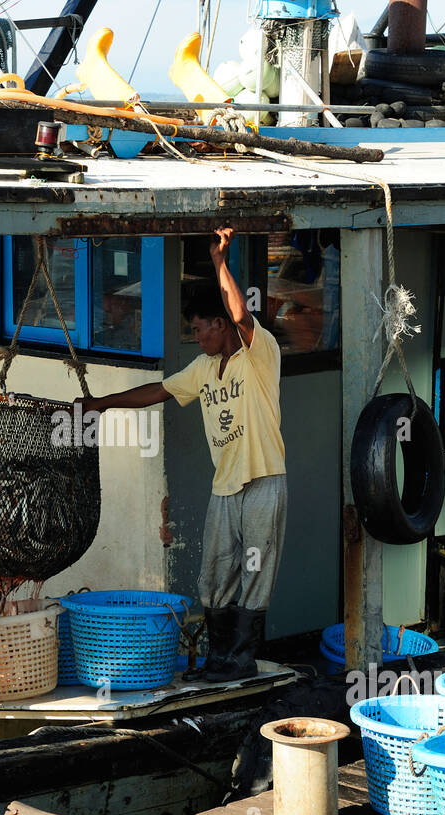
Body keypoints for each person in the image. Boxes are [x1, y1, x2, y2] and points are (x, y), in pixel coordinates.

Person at [81, 227, 287, 681]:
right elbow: (158, 390)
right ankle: (219, 659)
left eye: (199, 329)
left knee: (255, 573)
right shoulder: (203, 367)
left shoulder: (260, 354)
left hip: (264, 481)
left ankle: (241, 661)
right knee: (214, 577)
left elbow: (239, 310)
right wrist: (103, 403)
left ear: (220, 326)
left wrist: (218, 260)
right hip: (225, 487)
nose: (195, 338)